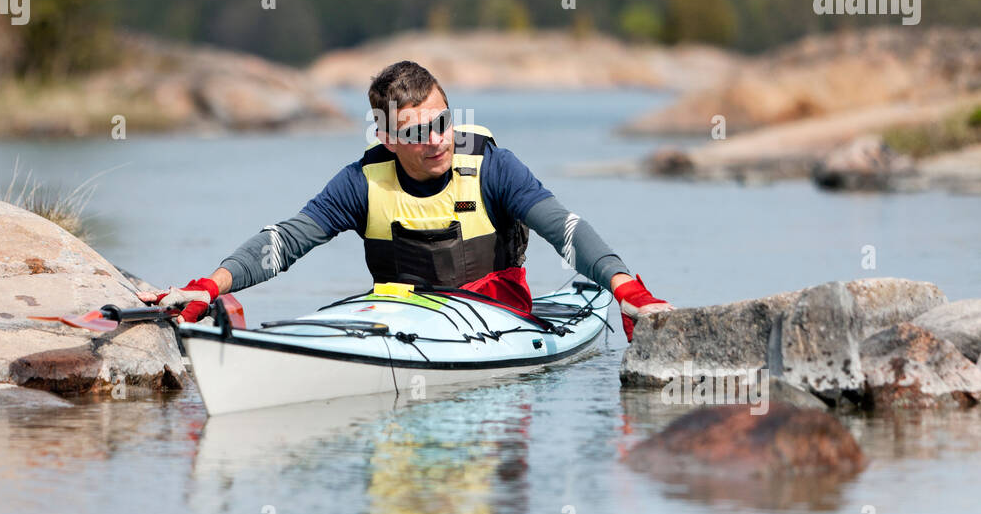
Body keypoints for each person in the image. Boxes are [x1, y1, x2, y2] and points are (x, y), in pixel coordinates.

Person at [140, 61, 674, 339]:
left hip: (498, 313)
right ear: (388, 139)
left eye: (443, 122)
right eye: (417, 133)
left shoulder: (493, 167)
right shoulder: (360, 182)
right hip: (398, 317)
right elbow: (285, 241)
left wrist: (628, 287)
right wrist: (211, 283)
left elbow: (564, 228)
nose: (438, 140)